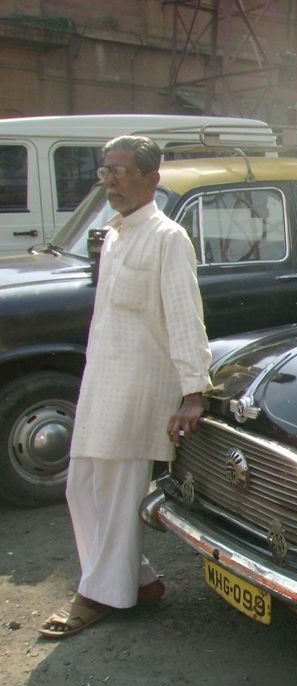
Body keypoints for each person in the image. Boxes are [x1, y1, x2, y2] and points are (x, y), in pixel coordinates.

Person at [39, 135, 211, 638]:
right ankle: (135, 581)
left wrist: (193, 392)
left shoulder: (167, 238)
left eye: (121, 171)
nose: (109, 180)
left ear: (151, 178)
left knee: (116, 496)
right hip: (103, 383)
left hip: (140, 390)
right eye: (105, 170)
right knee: (82, 487)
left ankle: (99, 595)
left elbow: (185, 319)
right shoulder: (114, 234)